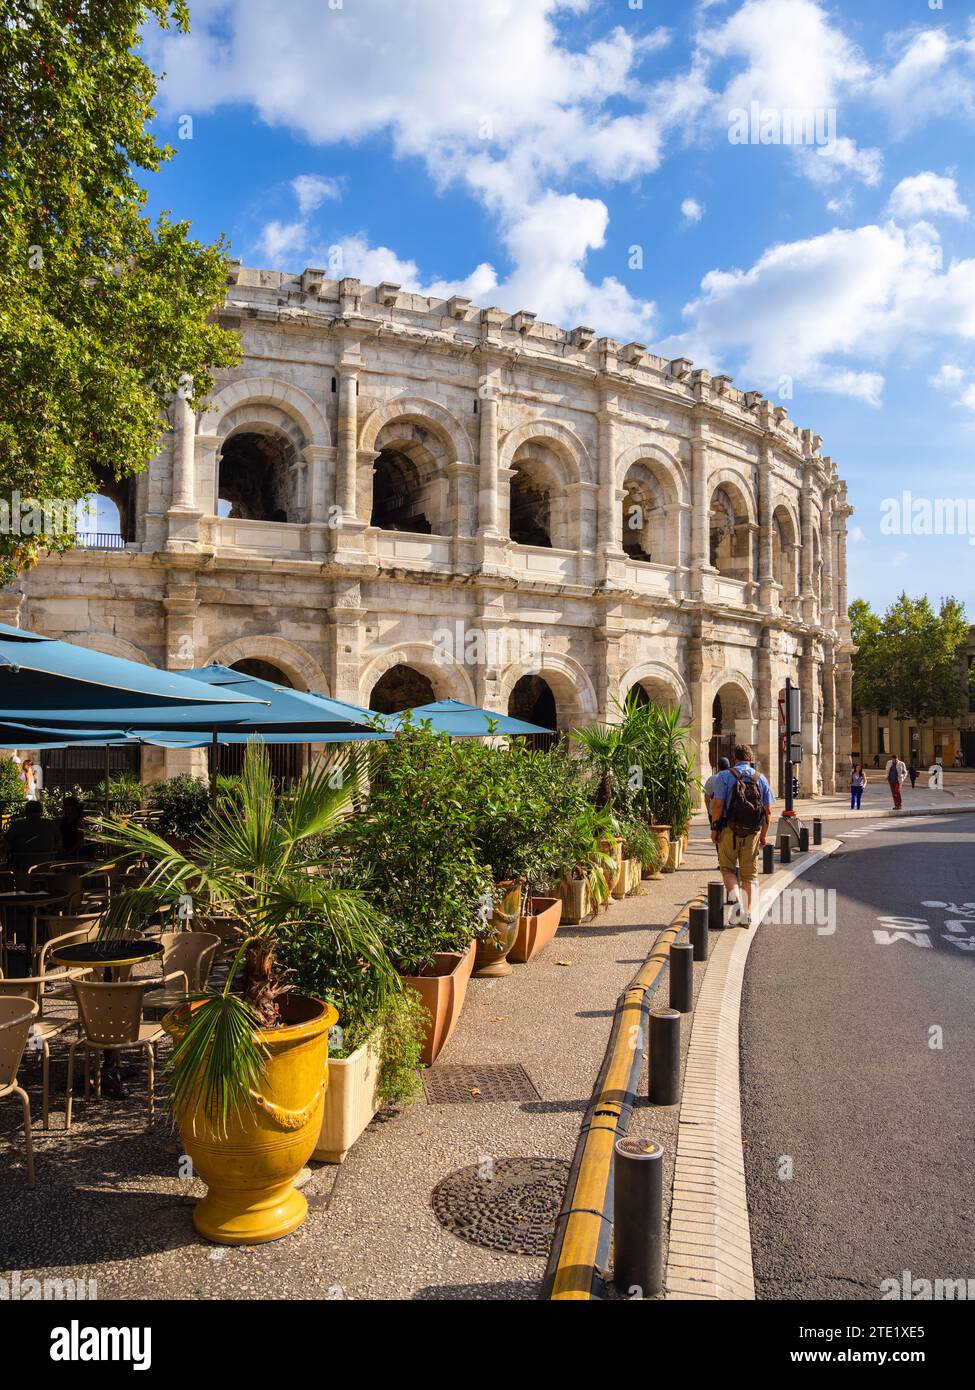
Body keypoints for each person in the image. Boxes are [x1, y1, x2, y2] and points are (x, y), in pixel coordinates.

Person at [708, 744, 774, 928]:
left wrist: (715, 828)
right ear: (750, 759)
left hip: (729, 829)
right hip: (752, 832)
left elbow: (718, 805)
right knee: (750, 875)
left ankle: (736, 903)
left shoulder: (724, 776)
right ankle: (747, 914)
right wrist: (763, 835)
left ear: (735, 758)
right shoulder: (761, 779)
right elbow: (768, 812)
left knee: (728, 868)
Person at [5, 800, 59, 867]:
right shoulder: (50, 824)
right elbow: (59, 841)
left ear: (26, 811)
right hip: (46, 862)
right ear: (41, 811)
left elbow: (6, 842)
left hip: (22, 862)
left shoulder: (17, 825)